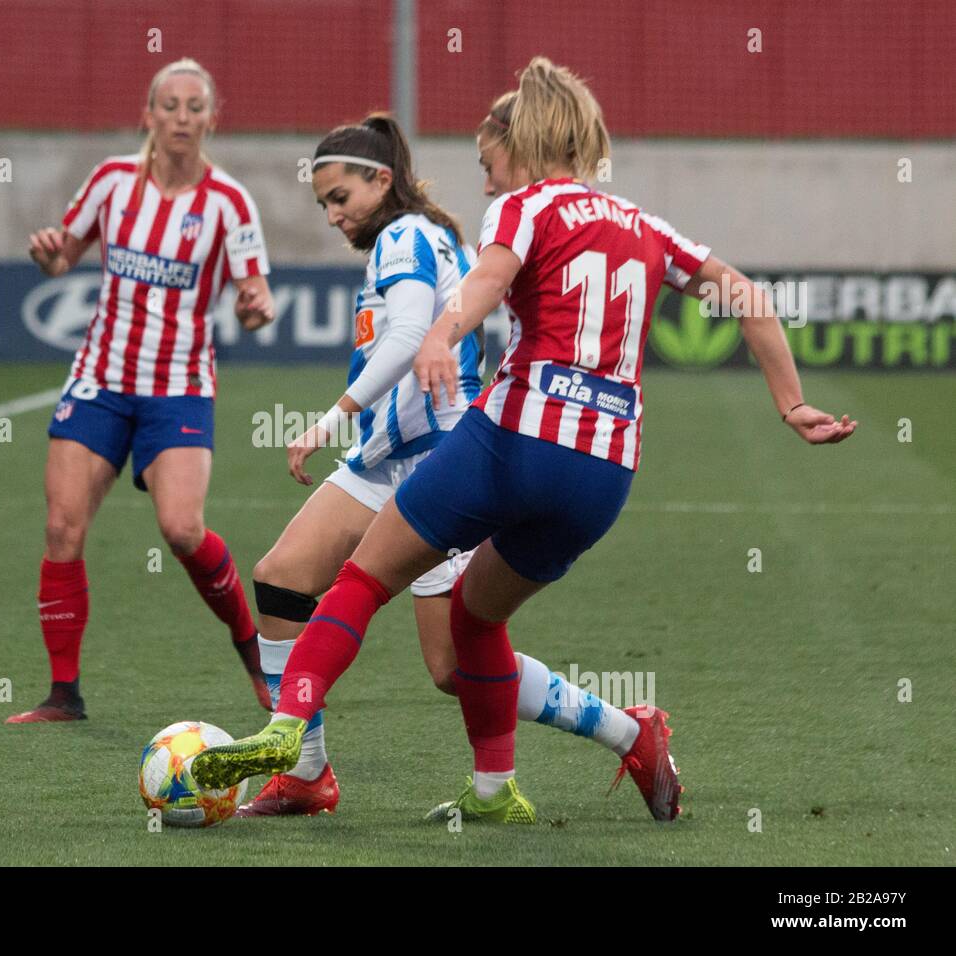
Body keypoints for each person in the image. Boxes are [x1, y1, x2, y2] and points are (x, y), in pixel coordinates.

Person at [193, 56, 856, 823]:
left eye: (487, 163)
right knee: (476, 624)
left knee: (363, 582)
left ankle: (286, 731)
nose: (484, 181)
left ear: (528, 138)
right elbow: (750, 298)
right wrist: (792, 404)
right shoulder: (644, 224)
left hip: (513, 442)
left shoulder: (525, 206)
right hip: (604, 475)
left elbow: (480, 285)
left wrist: (444, 334)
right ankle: (495, 793)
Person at [8, 58, 276, 723]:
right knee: (62, 525)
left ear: (213, 119)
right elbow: (62, 257)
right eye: (170, 105)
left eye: (195, 107)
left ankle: (252, 648)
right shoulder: (108, 182)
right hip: (100, 379)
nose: (182, 117)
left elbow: (252, 295)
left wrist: (253, 308)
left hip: (179, 386)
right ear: (147, 115)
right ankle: (63, 693)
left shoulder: (229, 202)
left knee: (183, 529)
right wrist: (47, 254)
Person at [238, 112, 481, 815]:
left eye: (340, 198)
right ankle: (309, 775)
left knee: (454, 670)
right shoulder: (420, 238)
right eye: (323, 205)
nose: (333, 216)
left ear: (382, 180)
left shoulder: (405, 236)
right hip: (384, 461)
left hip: (436, 467)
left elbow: (408, 334)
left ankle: (626, 729)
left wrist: (330, 418)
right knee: (282, 579)